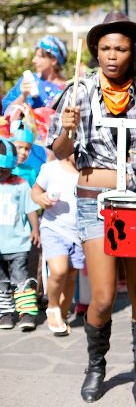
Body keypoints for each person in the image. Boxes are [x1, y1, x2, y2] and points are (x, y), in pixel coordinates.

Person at [47, 11, 136, 406]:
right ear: (95, 51)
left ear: (132, 52)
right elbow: (59, 152)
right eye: (105, 48)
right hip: (94, 203)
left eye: (120, 49)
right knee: (103, 298)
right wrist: (68, 129)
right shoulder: (78, 92)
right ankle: (96, 366)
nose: (111, 55)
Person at [31, 154, 82, 336]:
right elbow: (35, 190)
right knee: (59, 271)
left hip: (79, 232)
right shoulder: (51, 168)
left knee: (70, 275)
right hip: (53, 228)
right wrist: (40, 198)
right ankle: (52, 307)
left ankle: (62, 313)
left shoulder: (89, 172)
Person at [0, 137, 41, 331]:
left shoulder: (21, 183)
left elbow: (30, 209)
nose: (3, 174)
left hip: (18, 243)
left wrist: (35, 229)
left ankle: (26, 313)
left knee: (21, 278)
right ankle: (5, 313)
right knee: (1, 282)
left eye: (6, 171)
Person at [3, 35, 68, 114]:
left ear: (53, 60)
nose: (34, 60)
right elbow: (5, 111)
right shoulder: (27, 82)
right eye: (35, 56)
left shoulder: (66, 89)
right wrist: (23, 96)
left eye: (39, 57)